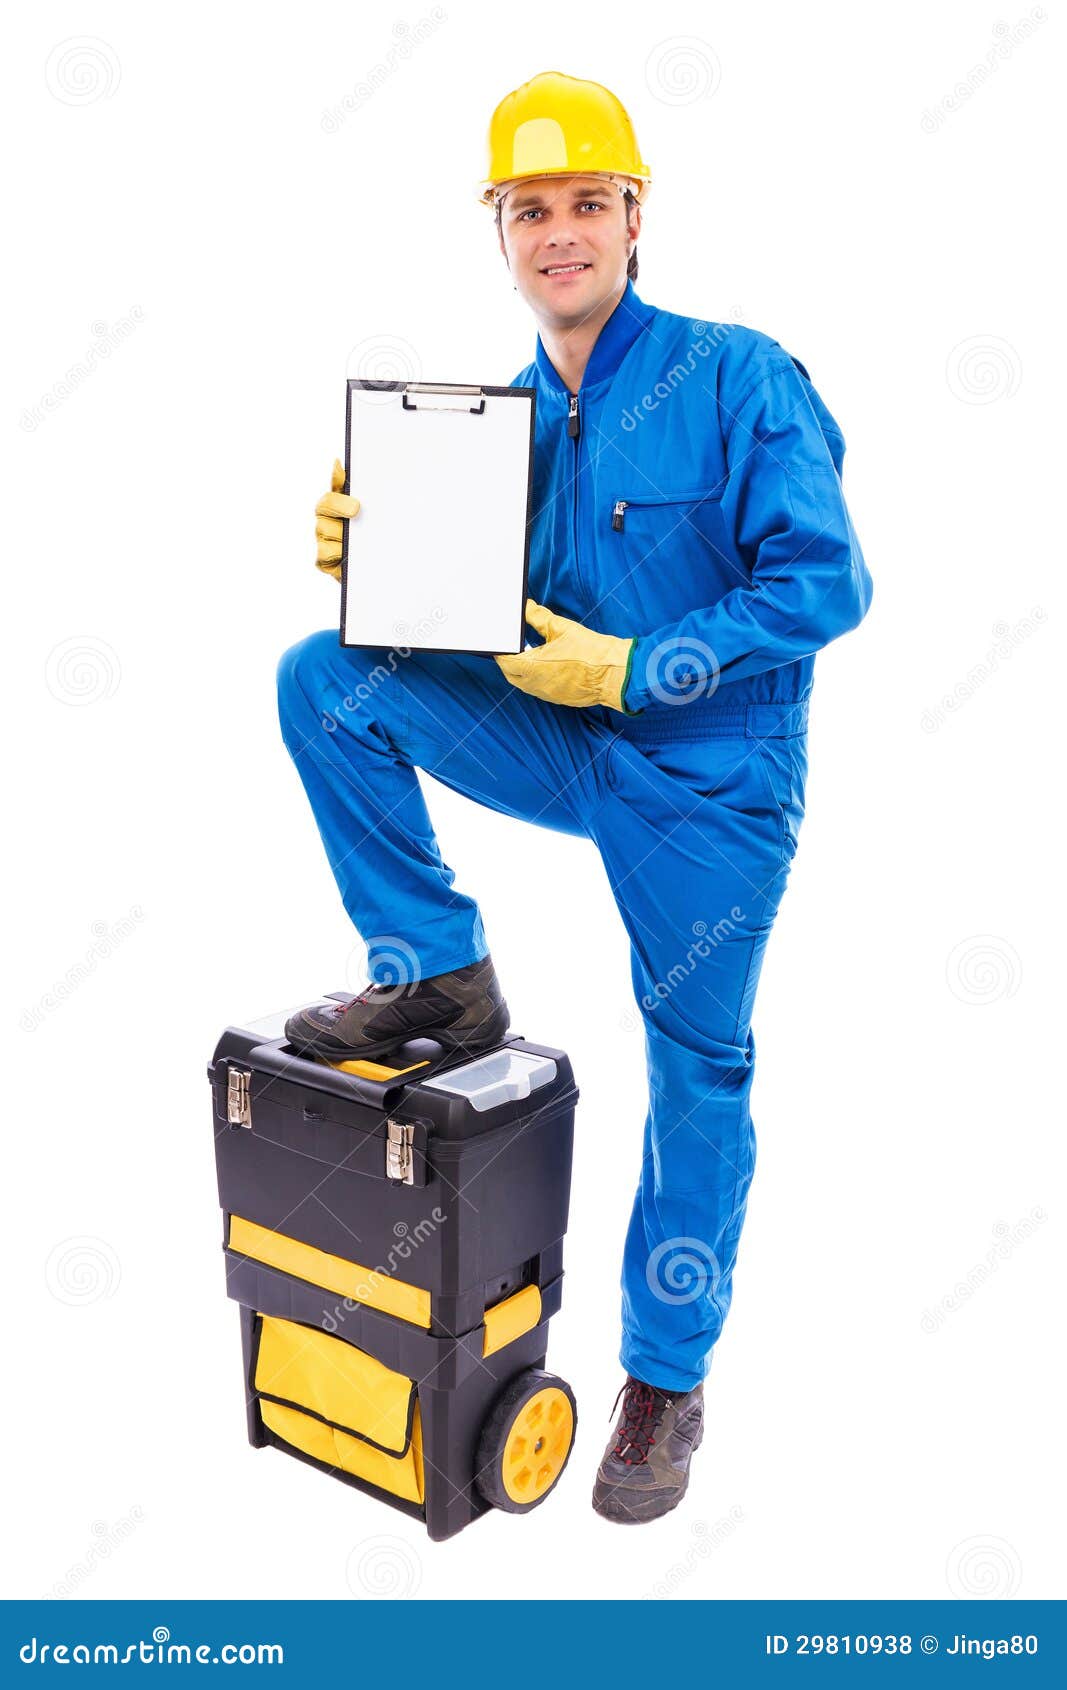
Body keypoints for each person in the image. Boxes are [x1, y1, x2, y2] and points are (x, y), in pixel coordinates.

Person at [276, 70, 873, 1524]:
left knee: (696, 1063)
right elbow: (481, 617)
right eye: (530, 208)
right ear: (500, 230)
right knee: (327, 674)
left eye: (588, 203)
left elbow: (829, 583)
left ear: (635, 214)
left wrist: (640, 662)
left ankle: (668, 1372)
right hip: (568, 745)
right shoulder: (507, 421)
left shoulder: (740, 377)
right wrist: (375, 557)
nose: (561, 232)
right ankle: (440, 974)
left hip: (710, 789)